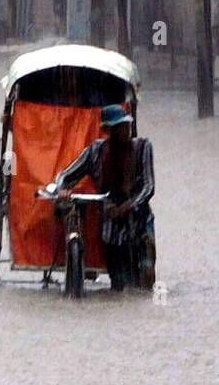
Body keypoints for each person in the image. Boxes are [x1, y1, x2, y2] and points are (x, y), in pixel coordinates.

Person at [54, 104, 156, 291]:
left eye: (126, 126)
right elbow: (65, 175)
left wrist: (127, 207)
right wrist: (62, 189)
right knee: (120, 287)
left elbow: (149, 187)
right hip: (112, 231)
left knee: (146, 284)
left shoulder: (143, 148)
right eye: (119, 128)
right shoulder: (95, 152)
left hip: (140, 224)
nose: (125, 131)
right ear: (108, 130)